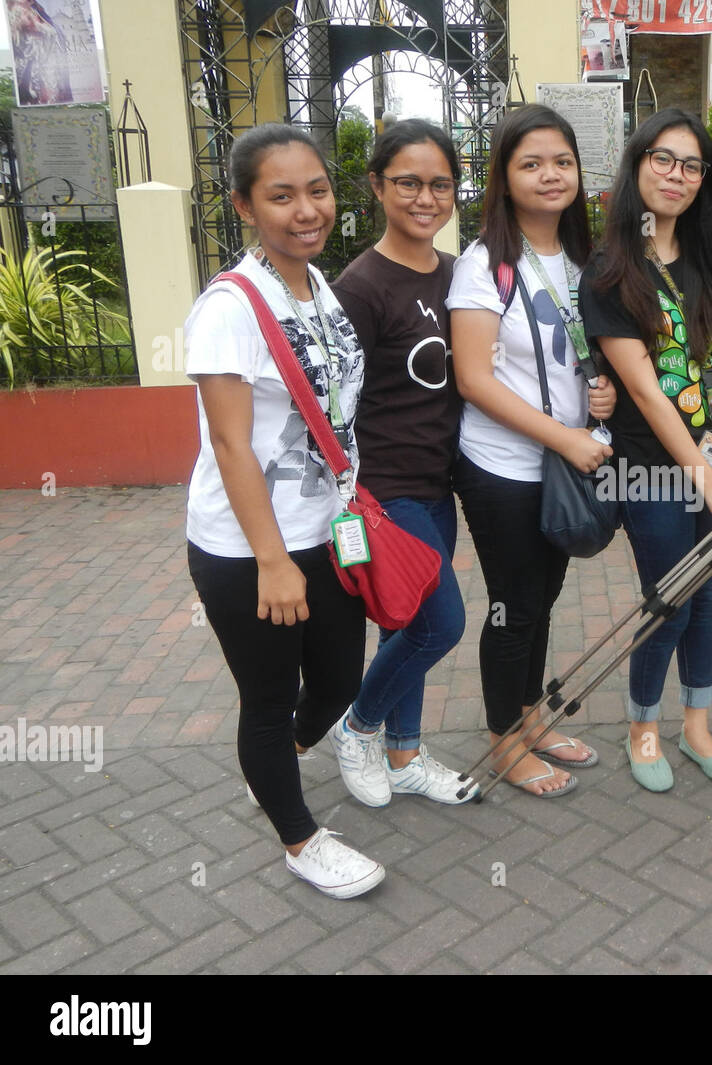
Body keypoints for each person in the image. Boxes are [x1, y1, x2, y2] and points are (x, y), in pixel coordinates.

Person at [185, 123, 382, 898]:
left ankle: (275, 767)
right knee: (268, 701)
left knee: (337, 683)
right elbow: (231, 445)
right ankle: (300, 838)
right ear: (244, 206)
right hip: (248, 548)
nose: (307, 210)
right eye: (281, 196)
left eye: (318, 190)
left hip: (325, 530)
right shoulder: (229, 307)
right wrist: (271, 560)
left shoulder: (315, 284)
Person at [581, 108, 712, 793]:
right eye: (663, 159)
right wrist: (707, 485)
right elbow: (646, 391)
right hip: (656, 472)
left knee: (707, 597)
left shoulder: (707, 255)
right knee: (670, 601)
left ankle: (697, 726)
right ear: (638, 165)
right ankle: (642, 728)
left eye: (691, 165)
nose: (677, 175)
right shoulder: (608, 271)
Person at [448, 104, 615, 798]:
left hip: (564, 462)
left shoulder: (583, 259)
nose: (550, 175)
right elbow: (474, 379)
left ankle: (530, 716)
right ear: (505, 177)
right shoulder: (484, 265)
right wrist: (567, 437)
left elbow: (581, 350)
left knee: (543, 598)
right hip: (503, 467)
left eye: (562, 162)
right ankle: (503, 742)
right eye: (532, 163)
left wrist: (601, 391)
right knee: (512, 605)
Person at [328, 119, 477, 808]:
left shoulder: (456, 273)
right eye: (408, 183)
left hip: (438, 483)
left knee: (402, 623)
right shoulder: (359, 287)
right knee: (438, 622)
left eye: (440, 184)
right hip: (386, 492)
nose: (426, 198)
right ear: (377, 186)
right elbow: (333, 400)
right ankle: (357, 727)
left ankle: (405, 754)